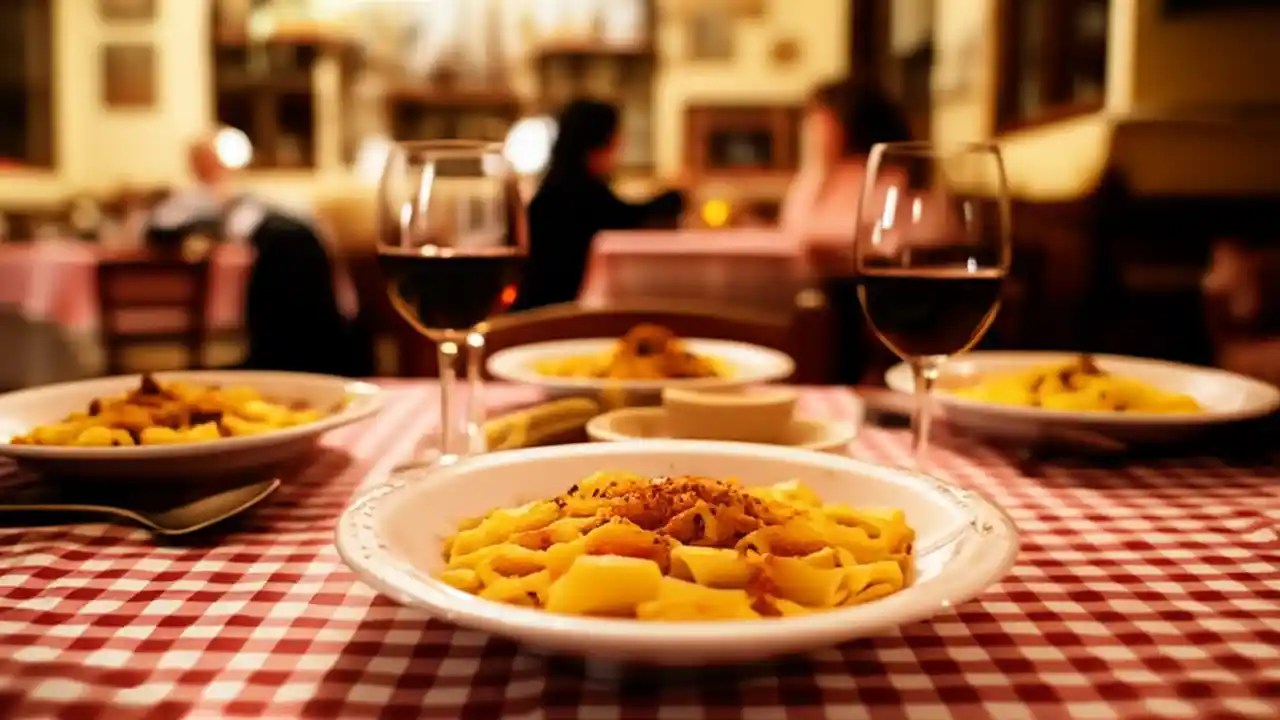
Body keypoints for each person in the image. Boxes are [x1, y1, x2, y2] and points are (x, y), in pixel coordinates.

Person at [512, 100, 685, 312]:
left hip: (542, 312)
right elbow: (629, 219)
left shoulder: (554, 188)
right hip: (555, 318)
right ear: (601, 141)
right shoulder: (578, 191)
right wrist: (677, 194)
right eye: (616, 140)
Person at [780, 78, 913, 239]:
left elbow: (874, 236)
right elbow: (791, 229)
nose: (810, 132)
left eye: (822, 122)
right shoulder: (816, 176)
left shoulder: (888, 181)